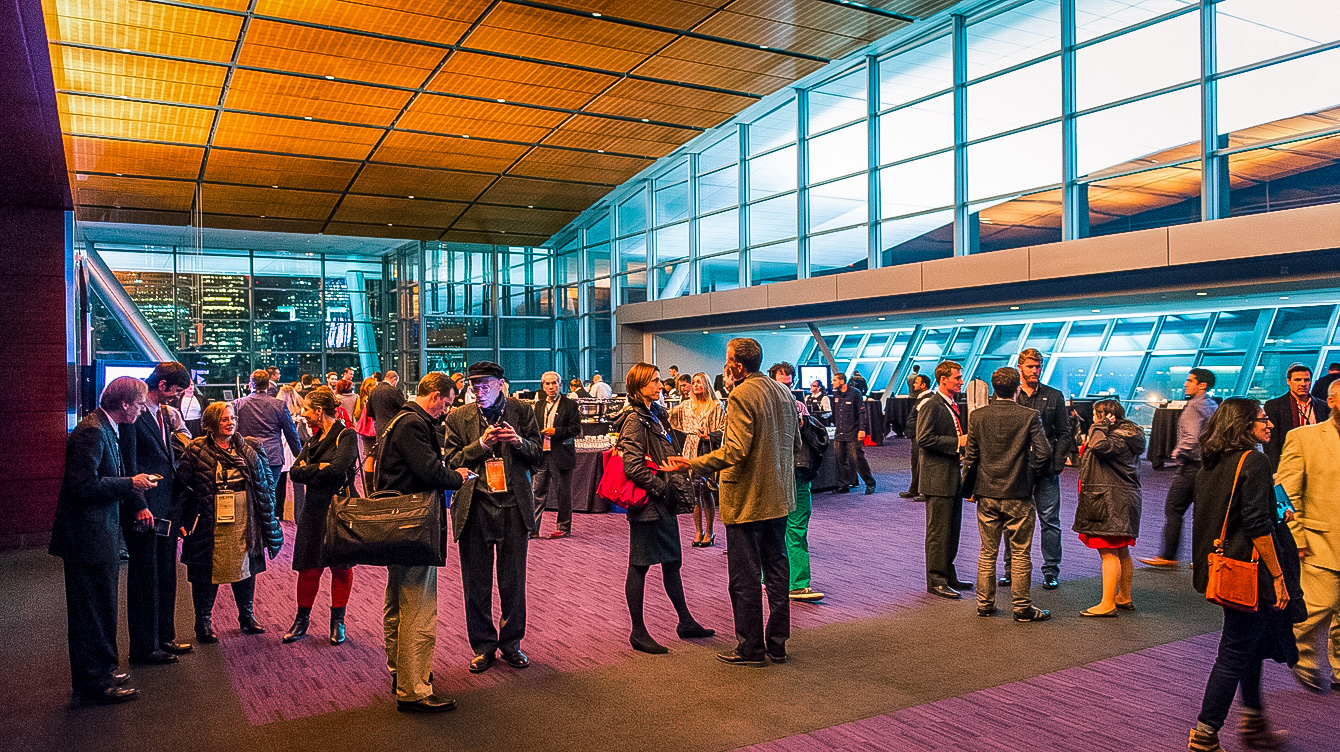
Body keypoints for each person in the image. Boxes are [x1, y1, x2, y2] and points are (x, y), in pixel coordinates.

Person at [665, 338, 797, 667]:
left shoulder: (740, 394)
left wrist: (692, 463)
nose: (725, 365)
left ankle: (750, 648)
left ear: (738, 366)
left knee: (745, 577)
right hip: (778, 496)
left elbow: (735, 451)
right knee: (777, 571)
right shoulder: (782, 391)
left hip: (748, 499)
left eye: (728, 360)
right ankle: (777, 644)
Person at [1187, 398, 1302, 752]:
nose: (1269, 425)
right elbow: (1256, 524)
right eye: (1262, 420)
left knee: (1248, 646)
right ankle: (1205, 734)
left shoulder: (1213, 461)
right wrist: (1279, 576)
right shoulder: (1254, 460)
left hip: (1224, 568)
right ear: (1243, 425)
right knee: (1235, 651)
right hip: (1250, 573)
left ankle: (1253, 721)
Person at [50, 377, 158, 704]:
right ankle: (94, 683)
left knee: (100, 608)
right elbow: (82, 486)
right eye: (139, 404)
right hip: (88, 538)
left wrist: (129, 485)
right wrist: (131, 483)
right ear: (125, 404)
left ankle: (102, 670)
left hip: (98, 535)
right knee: (92, 612)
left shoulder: (105, 426)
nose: (142, 410)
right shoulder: (92, 432)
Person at [375, 372, 468, 712]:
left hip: (397, 526)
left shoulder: (398, 420)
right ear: (435, 395)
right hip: (414, 527)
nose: (448, 409)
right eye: (448, 401)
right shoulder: (414, 423)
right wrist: (458, 476)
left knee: (397, 602)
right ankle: (414, 689)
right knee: (418, 607)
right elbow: (431, 472)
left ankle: (402, 675)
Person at [444, 361, 543, 674]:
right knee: (476, 583)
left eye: (486, 383)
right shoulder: (459, 416)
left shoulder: (522, 411)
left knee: (513, 582)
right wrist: (481, 445)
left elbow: (539, 457)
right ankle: (484, 646)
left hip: (514, 506)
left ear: (502, 383)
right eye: (475, 384)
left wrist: (518, 442)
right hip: (476, 508)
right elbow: (451, 462)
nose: (479, 389)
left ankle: (512, 644)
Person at [615, 363, 715, 654]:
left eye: (659, 380)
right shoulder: (635, 419)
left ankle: (684, 621)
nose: (661, 386)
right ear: (639, 386)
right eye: (654, 382)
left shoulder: (654, 414)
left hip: (661, 504)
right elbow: (633, 467)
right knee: (640, 566)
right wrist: (663, 489)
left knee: (672, 562)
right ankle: (638, 631)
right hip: (649, 504)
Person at [176, 402, 283, 644]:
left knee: (246, 565)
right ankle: (203, 620)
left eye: (232, 418)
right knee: (205, 569)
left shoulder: (250, 447)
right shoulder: (196, 449)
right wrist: (182, 518)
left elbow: (266, 484)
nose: (230, 422)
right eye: (224, 419)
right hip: (208, 519)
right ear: (212, 423)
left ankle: (247, 616)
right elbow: (182, 488)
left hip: (246, 517)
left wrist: (269, 513)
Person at [118, 362, 193, 666]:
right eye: (175, 391)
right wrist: (139, 505)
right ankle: (144, 647)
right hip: (146, 508)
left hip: (168, 505)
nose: (176, 398)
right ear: (162, 385)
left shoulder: (162, 413)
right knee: (144, 577)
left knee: (165, 572)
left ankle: (165, 636)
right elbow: (129, 464)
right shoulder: (133, 415)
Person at [963, 368, 1052, 622]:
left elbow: (971, 457)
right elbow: (1044, 452)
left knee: (987, 552)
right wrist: (1029, 472)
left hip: (987, 493)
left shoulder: (978, 416)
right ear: (1017, 388)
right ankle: (1022, 608)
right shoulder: (1029, 415)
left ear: (993, 388)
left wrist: (968, 489)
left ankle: (984, 604)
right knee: (1021, 552)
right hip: (1018, 493)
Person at [1277, 378, 1340, 694]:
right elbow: (1285, 493)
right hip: (1319, 539)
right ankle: (1302, 655)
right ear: (1331, 401)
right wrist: (1296, 538)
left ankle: (1339, 669)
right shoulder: (1304, 438)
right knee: (1319, 606)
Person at [283, 387, 359, 646]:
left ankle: (338, 622)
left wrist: (310, 470)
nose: (303, 414)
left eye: (306, 409)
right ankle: (301, 620)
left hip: (339, 508)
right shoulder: (313, 439)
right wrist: (319, 468)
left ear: (318, 411)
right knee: (308, 566)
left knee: (341, 566)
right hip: (314, 508)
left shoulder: (346, 435)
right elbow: (294, 472)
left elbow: (337, 471)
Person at [1006, 348, 1074, 591]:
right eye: (1031, 367)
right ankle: (1010, 569)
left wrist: (1056, 464)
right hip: (1017, 468)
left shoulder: (1054, 396)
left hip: (1046, 469)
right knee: (1011, 520)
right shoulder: (1009, 396)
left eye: (1038, 366)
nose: (1035, 371)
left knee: (1050, 521)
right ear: (1020, 367)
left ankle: (1050, 571)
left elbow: (1065, 433)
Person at [1073, 399, 1146, 617]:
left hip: (1110, 501)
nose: (1093, 419)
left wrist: (1099, 426)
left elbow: (1098, 446)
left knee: (1108, 552)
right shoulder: (1127, 436)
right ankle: (1123, 595)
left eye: (1096, 415)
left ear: (1105, 416)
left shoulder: (1114, 437)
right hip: (1121, 499)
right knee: (1121, 549)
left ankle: (1107, 603)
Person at [1141, 368, 1217, 569]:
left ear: (1202, 385)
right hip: (1209, 466)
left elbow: (1191, 438)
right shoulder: (1212, 405)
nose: (1185, 384)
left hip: (1191, 466)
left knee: (1174, 509)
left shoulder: (1194, 407)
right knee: (1202, 514)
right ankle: (1203, 558)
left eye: (1190, 381)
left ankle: (1168, 556)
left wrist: (1177, 453)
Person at [769, 362, 825, 602]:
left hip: (795, 471)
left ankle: (788, 580)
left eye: (789, 382)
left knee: (791, 526)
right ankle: (796, 583)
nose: (787, 387)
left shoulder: (796, 406)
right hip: (781, 472)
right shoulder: (773, 407)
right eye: (783, 381)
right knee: (786, 528)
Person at [917, 360, 973, 599]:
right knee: (939, 532)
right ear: (943, 379)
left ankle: (948, 574)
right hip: (937, 478)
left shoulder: (951, 404)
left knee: (952, 530)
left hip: (951, 476)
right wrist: (957, 443)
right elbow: (924, 438)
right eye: (957, 378)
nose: (961, 381)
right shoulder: (933, 404)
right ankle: (936, 580)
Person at [668, 372, 725, 548]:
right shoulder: (686, 405)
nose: (696, 385)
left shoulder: (715, 405)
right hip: (690, 448)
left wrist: (709, 436)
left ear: (706, 384)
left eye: (699, 382)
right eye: (694, 383)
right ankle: (698, 530)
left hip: (706, 449)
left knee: (706, 490)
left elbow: (724, 429)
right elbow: (668, 416)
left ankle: (709, 531)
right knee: (693, 493)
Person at [233, 369, 302, 507]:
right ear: (268, 386)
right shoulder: (278, 405)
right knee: (269, 496)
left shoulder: (237, 404)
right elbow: (291, 434)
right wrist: (300, 457)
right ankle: (269, 526)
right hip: (273, 457)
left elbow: (232, 432)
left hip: (246, 456)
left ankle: (251, 526)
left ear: (250, 385)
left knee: (249, 495)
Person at [532, 371, 581, 539]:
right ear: (543, 386)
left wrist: (556, 431)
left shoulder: (570, 405)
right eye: (547, 384)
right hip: (541, 455)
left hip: (561, 454)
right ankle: (533, 528)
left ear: (560, 385)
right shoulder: (538, 405)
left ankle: (563, 527)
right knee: (536, 492)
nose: (551, 387)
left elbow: (575, 429)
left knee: (563, 494)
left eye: (554, 383)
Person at [1262, 364, 1329, 470]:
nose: (1303, 384)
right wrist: (1275, 471)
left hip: (1318, 464)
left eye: (1306, 380)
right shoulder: (1274, 406)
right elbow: (1272, 443)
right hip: (1288, 464)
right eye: (1298, 380)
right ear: (1288, 381)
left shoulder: (1323, 406)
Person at [830, 372, 876, 495]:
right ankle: (843, 484)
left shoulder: (855, 393)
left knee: (857, 458)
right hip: (839, 432)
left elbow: (861, 412)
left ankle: (870, 482)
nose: (832, 382)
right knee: (840, 459)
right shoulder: (835, 395)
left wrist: (862, 429)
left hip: (853, 432)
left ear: (842, 381)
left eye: (834, 380)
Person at [900, 374, 932, 500]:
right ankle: (914, 489)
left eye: (916, 383)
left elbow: (923, 420)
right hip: (916, 436)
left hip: (921, 436)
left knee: (922, 463)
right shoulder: (922, 398)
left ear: (923, 385)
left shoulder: (927, 399)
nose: (913, 385)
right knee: (916, 463)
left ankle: (925, 491)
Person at [352, 376, 380, 492]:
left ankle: (369, 487)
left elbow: (357, 414)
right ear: (370, 387)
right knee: (373, 458)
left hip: (365, 431)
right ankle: (373, 485)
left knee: (369, 457)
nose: (377, 386)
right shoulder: (372, 398)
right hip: (373, 430)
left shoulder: (361, 398)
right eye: (375, 384)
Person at [368, 369, 407, 440]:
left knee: (381, 449)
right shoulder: (395, 391)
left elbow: (369, 412)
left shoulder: (373, 391)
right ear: (394, 379)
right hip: (393, 427)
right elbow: (404, 408)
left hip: (379, 427)